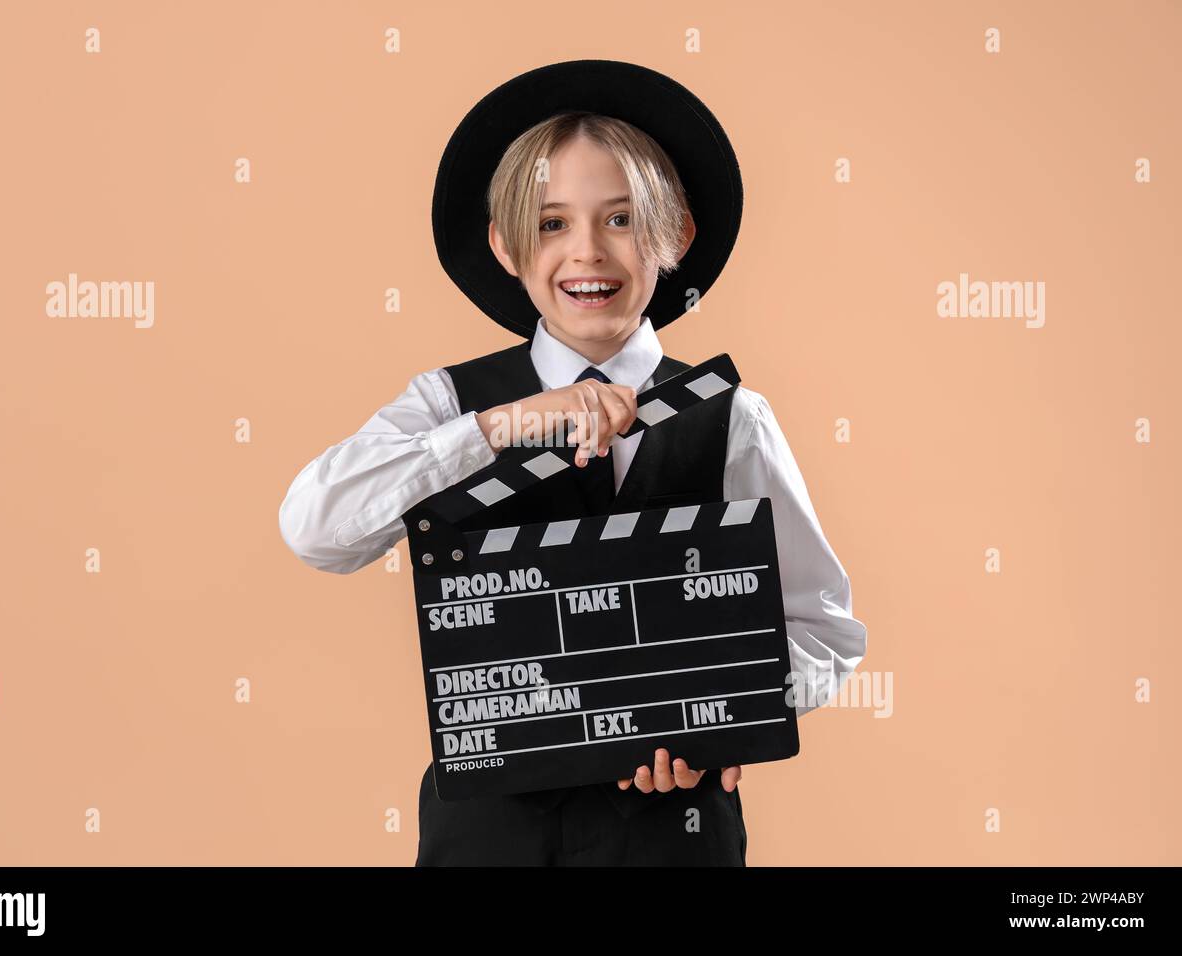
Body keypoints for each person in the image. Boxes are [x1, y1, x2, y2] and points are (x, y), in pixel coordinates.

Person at [279, 60, 867, 866]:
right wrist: (498, 430)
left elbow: (821, 628)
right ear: (505, 245)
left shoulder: (732, 419)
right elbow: (316, 530)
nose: (587, 252)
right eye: (552, 223)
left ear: (674, 236)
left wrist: (723, 718)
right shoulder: (452, 405)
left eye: (621, 219)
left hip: (674, 837)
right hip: (486, 839)